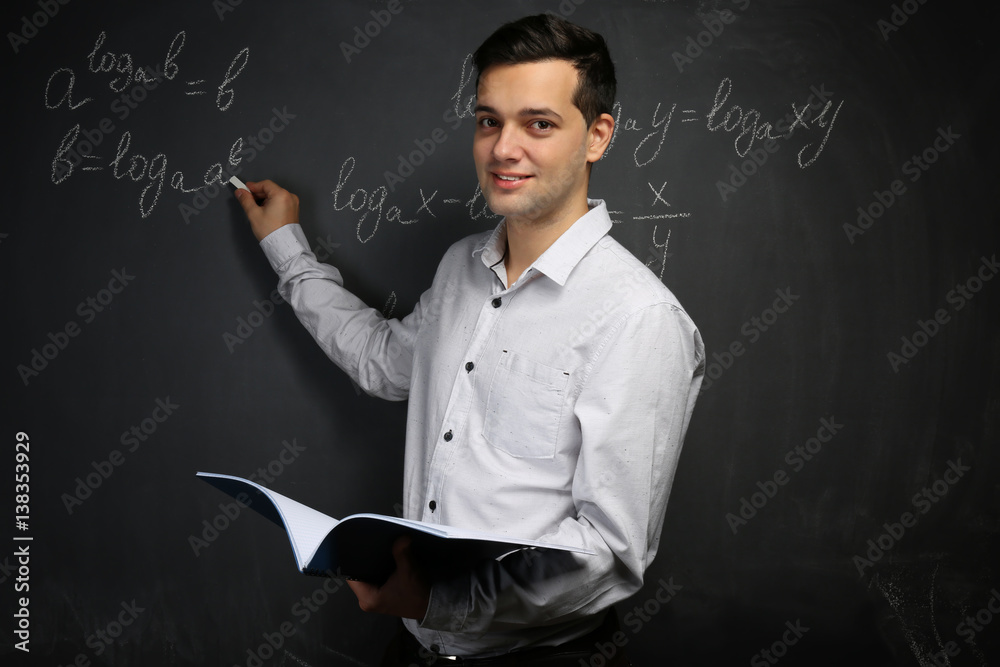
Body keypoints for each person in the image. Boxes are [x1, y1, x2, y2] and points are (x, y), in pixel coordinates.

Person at [234, 13, 704, 666]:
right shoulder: (459, 267)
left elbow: (608, 552)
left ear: (597, 135)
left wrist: (436, 602)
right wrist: (284, 246)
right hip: (415, 643)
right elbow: (382, 362)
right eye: (489, 120)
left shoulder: (639, 318)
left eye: (539, 123)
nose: (504, 148)